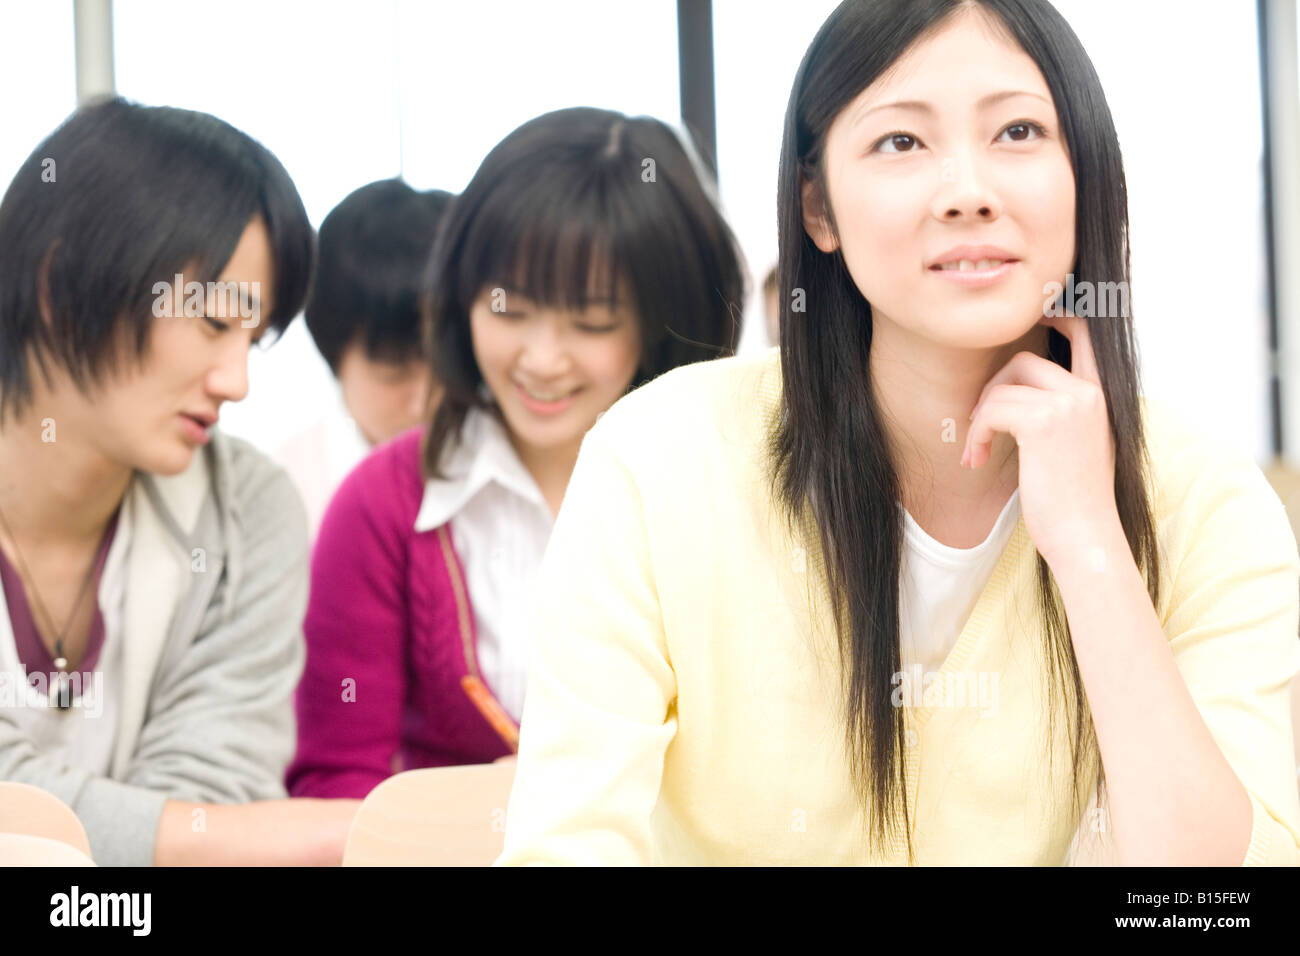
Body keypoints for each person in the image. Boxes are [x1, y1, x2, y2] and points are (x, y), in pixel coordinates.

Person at [495, 0, 1300, 865]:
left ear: (1087, 173)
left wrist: (1091, 544)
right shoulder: (658, 461)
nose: (967, 193)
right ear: (819, 209)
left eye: (1019, 130)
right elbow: (564, 846)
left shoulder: (1205, 502)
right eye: (901, 143)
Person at [286, 107, 746, 798]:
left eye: (591, 321)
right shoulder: (382, 505)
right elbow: (338, 788)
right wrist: (489, 801)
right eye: (508, 311)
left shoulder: (736, 490)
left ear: (659, 326)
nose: (541, 360)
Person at [0, 98, 359, 865]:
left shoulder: (246, 512)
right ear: (59, 284)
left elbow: (202, 815)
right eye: (212, 324)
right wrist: (310, 835)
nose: (236, 382)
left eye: (253, 340)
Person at [277, 180, 453, 539]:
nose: (425, 399)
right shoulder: (286, 495)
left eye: (447, 368)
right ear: (333, 353)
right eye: (394, 373)